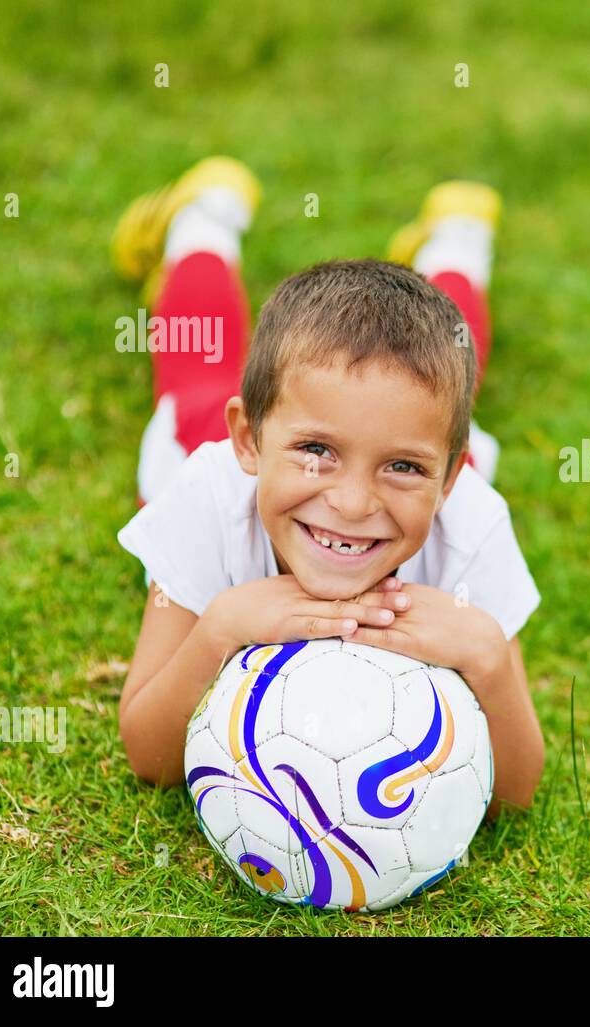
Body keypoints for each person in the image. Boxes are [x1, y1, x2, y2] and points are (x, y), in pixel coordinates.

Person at [112, 157, 543, 819]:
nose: (351, 501)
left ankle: (456, 246)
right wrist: (217, 630)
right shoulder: (208, 495)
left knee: (449, 373)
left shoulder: (470, 526)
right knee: (199, 365)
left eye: (402, 466)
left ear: (452, 478)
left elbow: (514, 795)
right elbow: (150, 755)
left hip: (404, 438)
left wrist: (488, 658)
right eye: (318, 452)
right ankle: (201, 226)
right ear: (250, 439)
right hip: (206, 432)